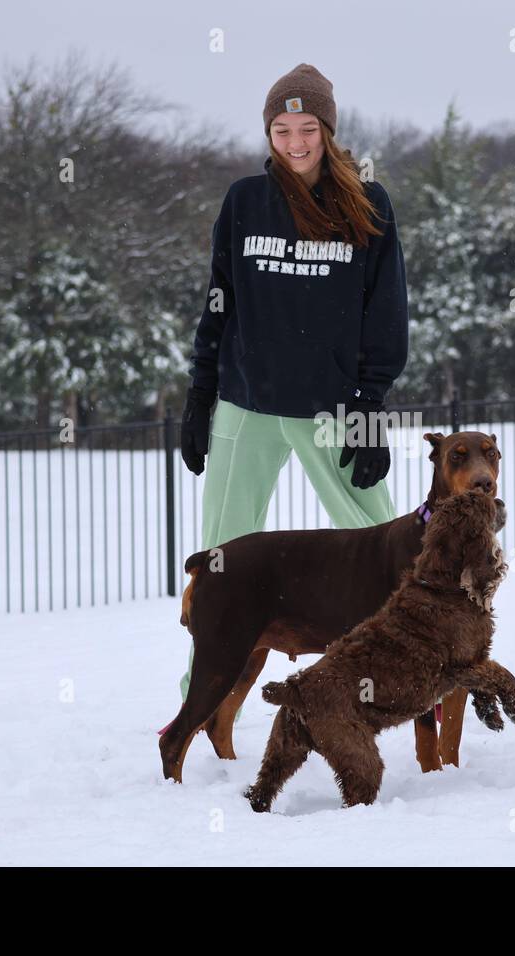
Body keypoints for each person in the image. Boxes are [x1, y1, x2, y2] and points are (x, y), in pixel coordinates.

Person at [176, 62, 410, 706]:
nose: (296, 141)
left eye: (308, 128)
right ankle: (203, 696)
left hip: (332, 412)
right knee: (220, 562)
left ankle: (412, 682)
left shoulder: (368, 202)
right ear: (269, 132)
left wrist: (370, 409)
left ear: (328, 130)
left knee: (388, 552)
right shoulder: (244, 202)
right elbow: (218, 306)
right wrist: (200, 397)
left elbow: (384, 316)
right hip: (244, 406)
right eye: (282, 128)